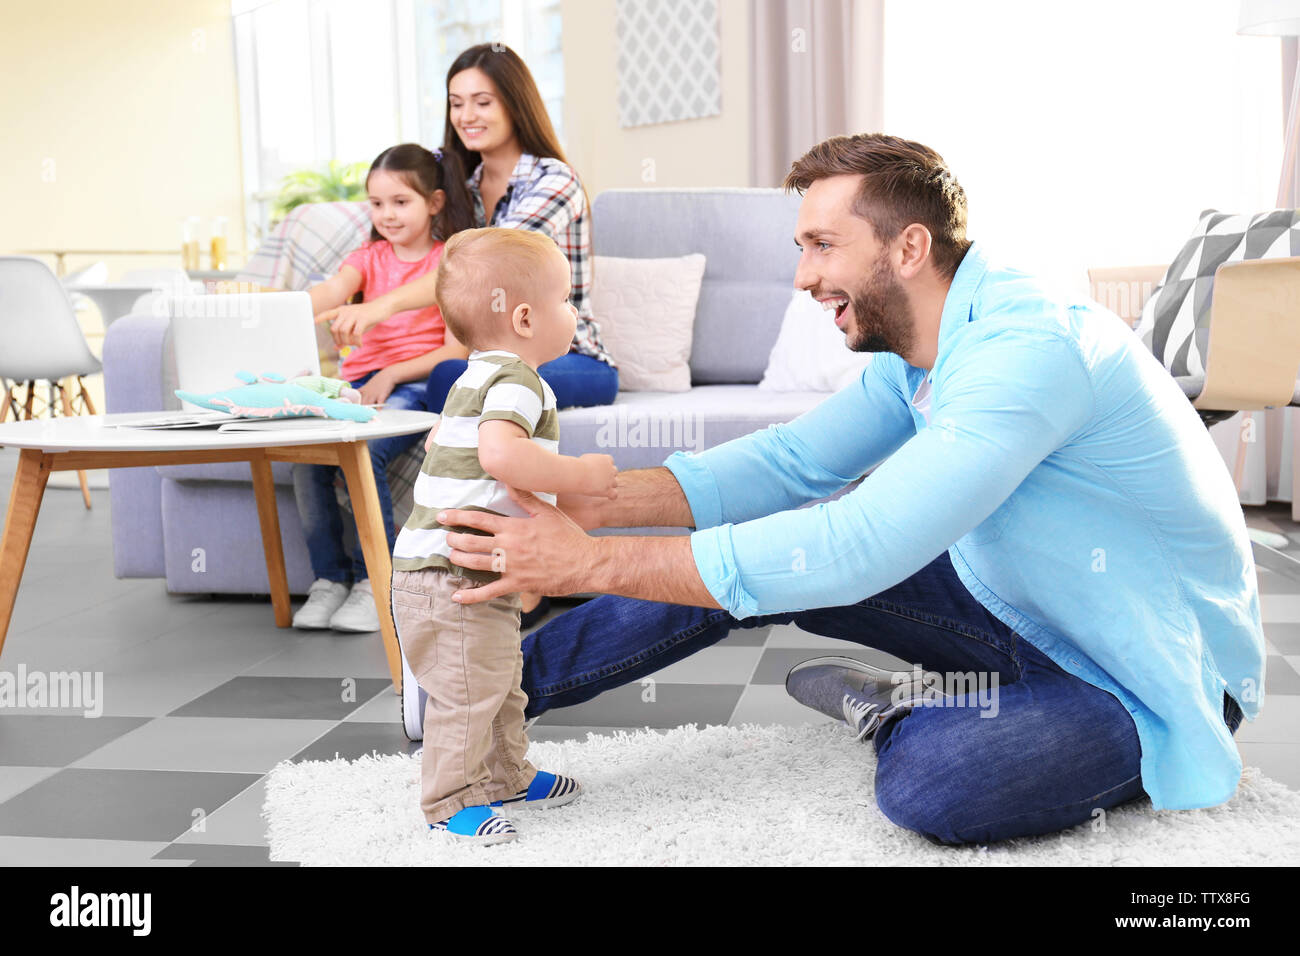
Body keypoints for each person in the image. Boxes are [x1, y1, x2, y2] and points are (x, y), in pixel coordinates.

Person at [428, 133, 1266, 847]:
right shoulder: (924, 345)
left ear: (908, 248)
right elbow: (788, 468)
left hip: (1144, 664)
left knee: (934, 785)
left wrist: (589, 566)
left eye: (822, 246)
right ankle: (470, 696)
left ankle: (905, 710)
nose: (802, 277)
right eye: (802, 249)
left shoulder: (1027, 349)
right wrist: (596, 505)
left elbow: (861, 545)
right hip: (1012, 601)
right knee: (766, 551)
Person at [317, 43, 617, 628]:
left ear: (515, 105)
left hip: (572, 355)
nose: (468, 115)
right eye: (457, 103)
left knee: (453, 375)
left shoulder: (552, 181)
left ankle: (517, 570)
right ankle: (436, 559)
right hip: (485, 357)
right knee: (458, 372)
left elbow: (484, 269)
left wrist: (378, 309)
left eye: (483, 101)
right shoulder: (460, 183)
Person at [391, 227, 614, 844]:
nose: (573, 314)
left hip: (450, 570)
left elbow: (444, 445)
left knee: (499, 678)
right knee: (469, 693)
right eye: (567, 301)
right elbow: (499, 456)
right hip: (449, 574)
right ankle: (448, 800)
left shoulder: (471, 377)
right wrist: (580, 475)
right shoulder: (519, 380)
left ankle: (508, 774)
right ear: (523, 317)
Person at [292, 143, 475, 632]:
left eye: (401, 202)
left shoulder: (449, 261)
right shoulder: (367, 258)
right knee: (305, 452)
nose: (387, 214)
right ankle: (330, 580)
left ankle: (377, 582)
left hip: (410, 384)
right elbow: (331, 291)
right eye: (376, 204)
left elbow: (453, 355)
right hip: (356, 383)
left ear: (434, 203)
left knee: (362, 448)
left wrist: (393, 372)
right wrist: (282, 310)